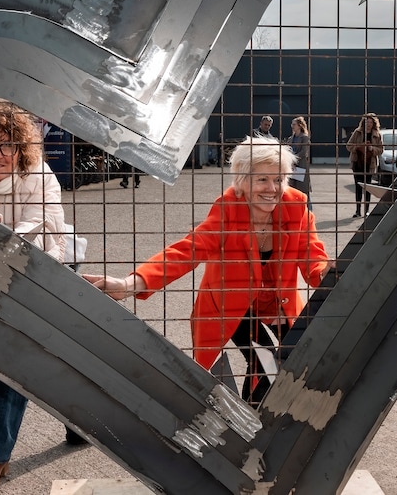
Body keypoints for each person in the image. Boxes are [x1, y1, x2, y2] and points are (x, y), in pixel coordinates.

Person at [85, 136, 330, 404]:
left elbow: (313, 260)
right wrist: (130, 284)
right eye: (262, 179)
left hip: (276, 303)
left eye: (279, 179)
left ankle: (253, 412)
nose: (272, 188)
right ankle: (251, 417)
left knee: (292, 357)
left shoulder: (297, 208)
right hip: (230, 301)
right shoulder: (228, 210)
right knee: (266, 355)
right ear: (243, 181)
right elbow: (187, 250)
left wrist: (329, 273)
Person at [0, 97, 88, 490]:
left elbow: (45, 233)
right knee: (7, 352)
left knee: (55, 352)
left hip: (48, 263)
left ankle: (79, 419)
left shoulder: (39, 175)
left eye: (6, 144)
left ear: (20, 147)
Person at [345, 113, 383, 218]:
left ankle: (367, 211)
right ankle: (357, 211)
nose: (369, 124)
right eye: (367, 122)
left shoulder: (377, 134)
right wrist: (357, 146)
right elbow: (348, 146)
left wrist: (372, 148)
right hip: (357, 163)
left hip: (370, 164)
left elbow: (381, 150)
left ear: (374, 123)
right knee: (358, 186)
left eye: (371, 122)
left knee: (368, 187)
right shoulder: (357, 133)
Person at [287, 116, 312, 209]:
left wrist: (293, 159)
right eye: (292, 124)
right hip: (291, 167)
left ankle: (308, 211)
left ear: (299, 126)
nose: (292, 126)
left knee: (303, 191)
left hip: (301, 167)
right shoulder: (290, 139)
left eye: (294, 124)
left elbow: (303, 152)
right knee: (292, 189)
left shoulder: (304, 138)